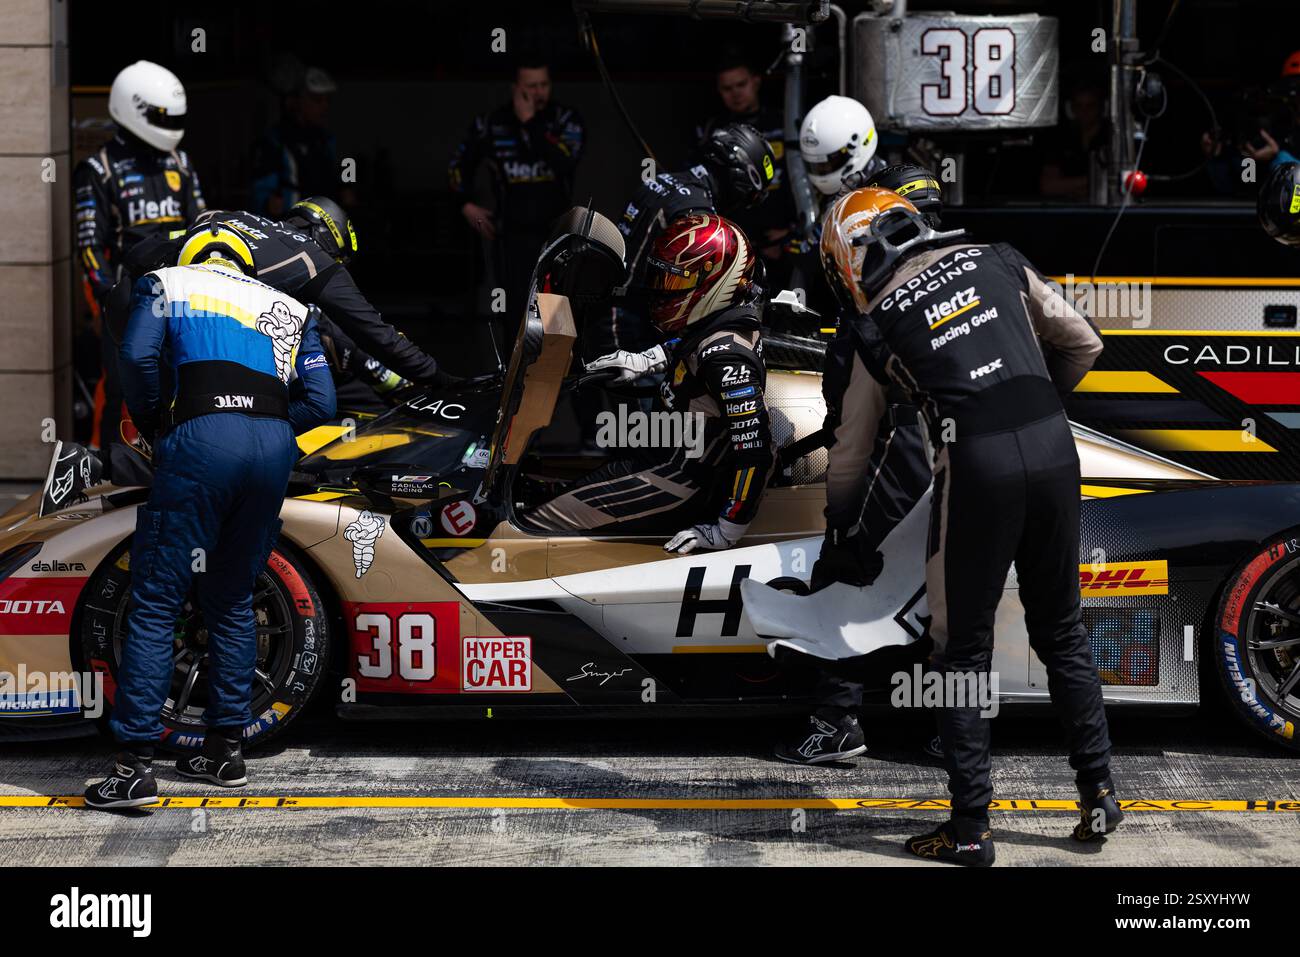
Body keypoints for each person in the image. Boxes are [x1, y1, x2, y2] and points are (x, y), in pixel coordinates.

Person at [816, 187, 1120, 865]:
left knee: (960, 654)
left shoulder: (874, 321)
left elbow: (851, 453)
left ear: (846, 263)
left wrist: (840, 528)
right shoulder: (997, 256)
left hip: (976, 466)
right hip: (1053, 445)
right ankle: (1099, 790)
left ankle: (970, 828)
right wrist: (1031, 404)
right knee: (1062, 627)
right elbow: (1085, 341)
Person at [84, 223, 336, 809]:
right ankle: (225, 751)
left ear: (193, 255)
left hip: (200, 439)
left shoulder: (165, 282)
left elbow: (136, 356)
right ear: (245, 265)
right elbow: (323, 403)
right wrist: (264, 422)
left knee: (156, 600)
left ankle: (135, 768)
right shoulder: (291, 307)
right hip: (273, 444)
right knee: (232, 597)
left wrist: (160, 426)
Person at [45, 197, 451, 505]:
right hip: (161, 317)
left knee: (200, 428)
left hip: (142, 305)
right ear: (326, 241)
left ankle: (101, 464)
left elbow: (140, 253)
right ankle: (111, 465)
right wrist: (439, 379)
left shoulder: (236, 222)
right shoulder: (308, 264)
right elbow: (373, 334)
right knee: (216, 426)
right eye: (339, 257)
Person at [773, 164, 943, 765]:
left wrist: (840, 519)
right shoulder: (945, 294)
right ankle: (949, 726)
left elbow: (851, 435)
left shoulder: (864, 322)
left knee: (841, 570)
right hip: (956, 460)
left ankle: (836, 719)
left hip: (896, 461)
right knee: (942, 589)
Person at [527, 214, 773, 553]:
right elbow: (695, 344)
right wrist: (644, 360)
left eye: (673, 283)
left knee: (533, 522)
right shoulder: (716, 326)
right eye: (660, 279)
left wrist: (727, 530)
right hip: (655, 455)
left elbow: (756, 449)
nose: (661, 291)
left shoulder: (726, 357)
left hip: (673, 481)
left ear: (715, 282)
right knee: (538, 494)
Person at [74, 61, 206, 461]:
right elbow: (88, 245)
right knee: (120, 384)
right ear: (134, 109)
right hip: (126, 294)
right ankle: (105, 462)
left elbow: (200, 228)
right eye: (163, 117)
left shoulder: (180, 164)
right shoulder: (99, 169)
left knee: (183, 376)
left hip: (180, 289)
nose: (172, 124)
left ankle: (170, 457)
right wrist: (104, 299)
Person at [600, 123, 775, 358]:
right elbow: (690, 291)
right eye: (751, 196)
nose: (746, 203)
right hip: (634, 324)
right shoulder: (698, 213)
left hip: (604, 307)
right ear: (741, 174)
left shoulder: (662, 180)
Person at [449, 58, 585, 341]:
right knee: (514, 313)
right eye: (531, 86)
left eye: (544, 85)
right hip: (510, 237)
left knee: (556, 312)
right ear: (516, 87)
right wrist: (466, 205)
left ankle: (557, 380)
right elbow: (457, 166)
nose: (538, 92)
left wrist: (530, 122)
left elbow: (565, 162)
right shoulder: (491, 124)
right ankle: (514, 380)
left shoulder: (565, 120)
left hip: (556, 236)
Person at [695, 55, 794, 272]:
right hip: (733, 246)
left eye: (741, 84)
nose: (736, 93)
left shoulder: (784, 123)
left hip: (781, 242)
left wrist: (790, 232)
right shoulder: (712, 130)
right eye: (727, 88)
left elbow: (807, 179)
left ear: (756, 81)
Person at [251, 66, 348, 217]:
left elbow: (340, 177)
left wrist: (345, 188)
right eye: (317, 100)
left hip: (325, 225)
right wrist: (267, 203)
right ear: (294, 101)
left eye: (327, 100)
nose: (324, 106)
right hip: (289, 228)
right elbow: (260, 195)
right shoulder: (275, 142)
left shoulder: (326, 141)